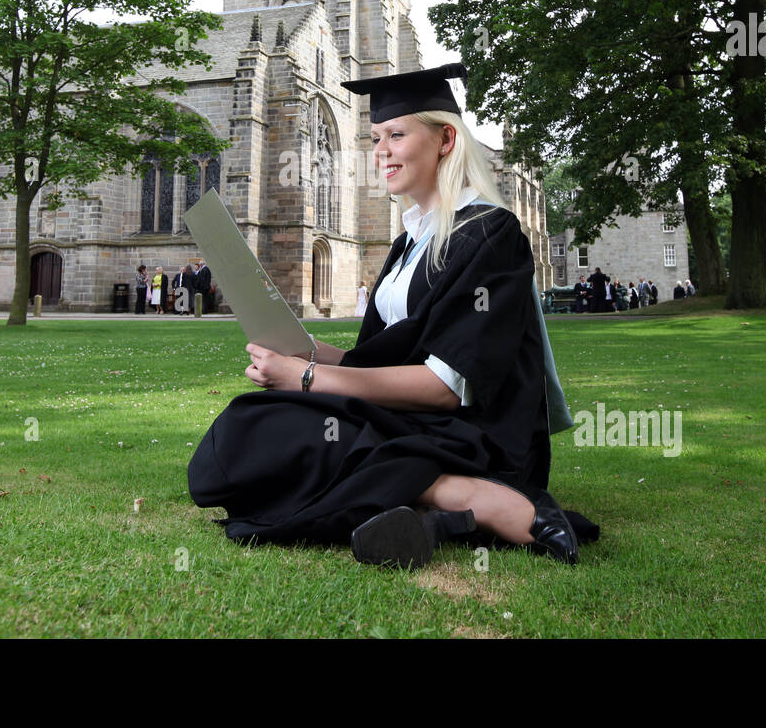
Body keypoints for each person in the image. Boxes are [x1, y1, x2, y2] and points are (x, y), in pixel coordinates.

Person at [188, 62, 597, 570]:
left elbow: (447, 385)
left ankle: (474, 494)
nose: (378, 152)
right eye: (376, 137)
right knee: (249, 423)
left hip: (469, 430)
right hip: (408, 419)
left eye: (395, 135)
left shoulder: (491, 235)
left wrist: (309, 377)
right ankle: (441, 503)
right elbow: (373, 360)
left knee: (305, 435)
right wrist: (304, 352)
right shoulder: (408, 240)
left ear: (445, 140)